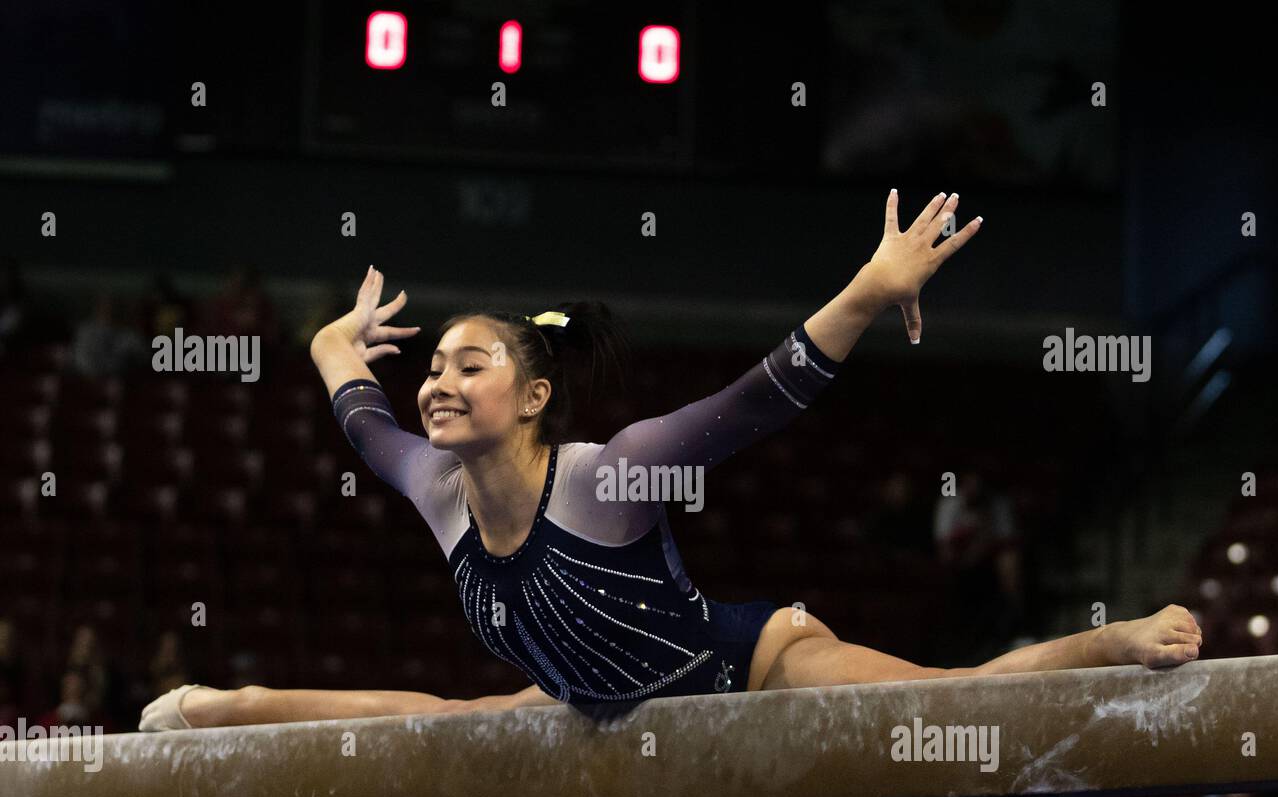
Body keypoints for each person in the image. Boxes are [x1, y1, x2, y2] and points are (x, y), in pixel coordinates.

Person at [141, 191, 1203, 730]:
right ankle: (223, 706)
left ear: (536, 397)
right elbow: (349, 392)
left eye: (471, 364)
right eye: (432, 369)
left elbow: (759, 398)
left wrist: (873, 290)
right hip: (592, 710)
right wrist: (342, 333)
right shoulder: (433, 485)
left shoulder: (609, 476)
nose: (437, 382)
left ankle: (1104, 641)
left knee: (947, 705)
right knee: (453, 722)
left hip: (742, 670)